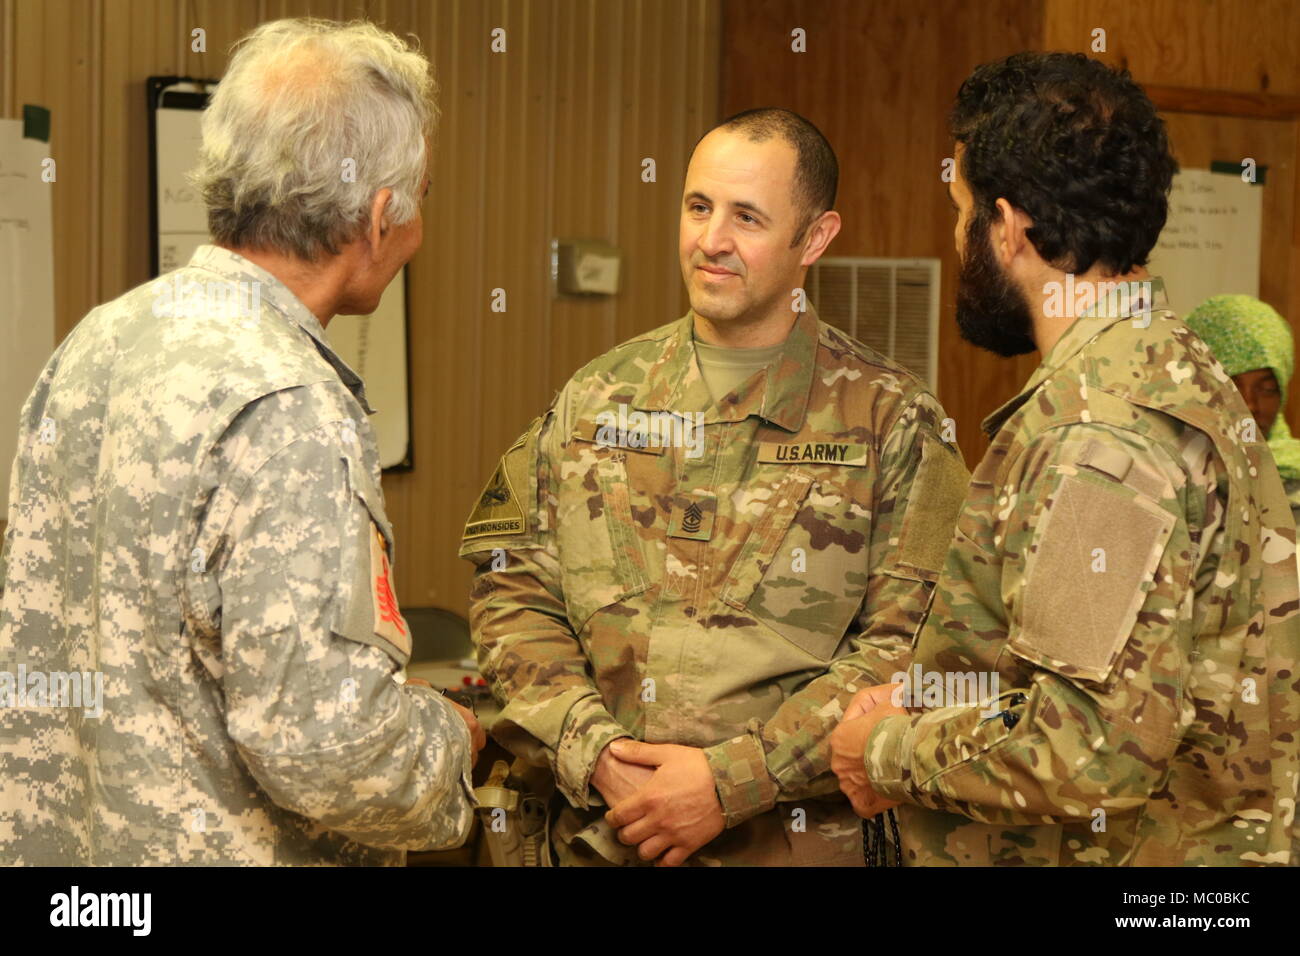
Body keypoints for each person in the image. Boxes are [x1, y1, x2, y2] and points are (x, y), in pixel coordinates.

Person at [0, 18, 483, 866]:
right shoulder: (291, 401)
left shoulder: (99, 340)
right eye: (423, 196)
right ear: (378, 218)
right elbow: (328, 747)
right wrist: (454, 746)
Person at [460, 108, 968, 866]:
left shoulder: (895, 423)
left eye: (748, 218)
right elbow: (512, 588)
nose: (711, 241)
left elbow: (916, 653)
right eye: (698, 207)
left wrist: (732, 782)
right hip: (597, 837)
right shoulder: (596, 400)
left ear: (815, 239)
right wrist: (595, 750)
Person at [830, 52, 1299, 866]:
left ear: (1008, 228)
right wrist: (930, 699)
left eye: (962, 209)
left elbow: (1088, 752)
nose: (958, 235)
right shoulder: (1171, 362)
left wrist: (883, 751)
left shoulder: (1101, 436)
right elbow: (1099, 663)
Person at [1184, 294, 1300, 525]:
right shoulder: (1171, 480)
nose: (1250, 406)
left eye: (1266, 388)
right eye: (1231, 388)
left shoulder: (1293, 471)